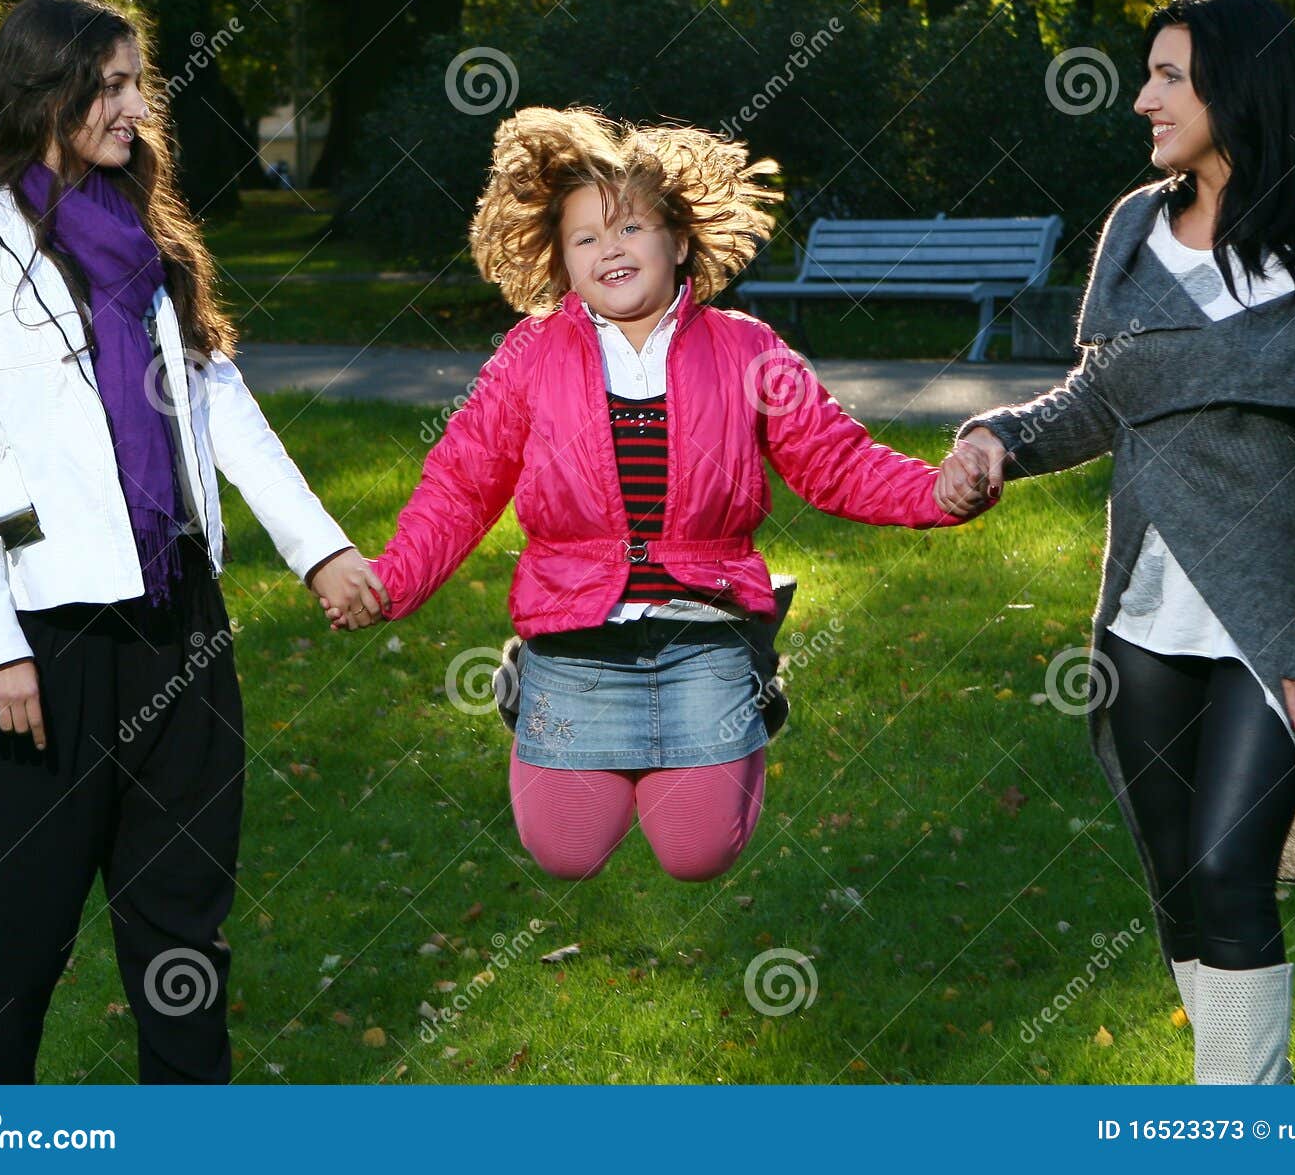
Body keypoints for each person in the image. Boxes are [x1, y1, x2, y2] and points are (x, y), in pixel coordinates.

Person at [0, 0, 384, 1083]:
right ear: (46, 91)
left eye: (135, 82)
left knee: (182, 928)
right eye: (110, 85)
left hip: (182, 624)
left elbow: (222, 409)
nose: (134, 107)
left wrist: (319, 547)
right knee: (24, 933)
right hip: (47, 640)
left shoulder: (149, 238)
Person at [324, 106, 993, 883]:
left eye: (631, 228)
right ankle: (527, 681)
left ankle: (751, 683)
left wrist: (940, 493)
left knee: (696, 852)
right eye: (585, 237)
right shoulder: (528, 357)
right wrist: (392, 581)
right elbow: (460, 485)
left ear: (678, 241)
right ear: (562, 263)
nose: (610, 248)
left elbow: (835, 461)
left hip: (702, 627)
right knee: (565, 850)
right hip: (574, 630)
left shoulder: (747, 349)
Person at [943, 0, 1295, 1083]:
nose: (1142, 98)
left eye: (1167, 77)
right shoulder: (1137, 229)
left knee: (1237, 877)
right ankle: (1259, 1096)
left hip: (1265, 624)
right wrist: (1001, 436)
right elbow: (1101, 400)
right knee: (1182, 881)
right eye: (1146, 74)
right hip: (1144, 621)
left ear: (1234, 88)